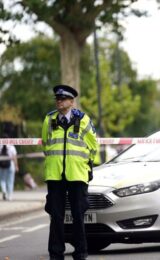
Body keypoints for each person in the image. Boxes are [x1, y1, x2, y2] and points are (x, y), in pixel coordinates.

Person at [42, 84, 98, 260]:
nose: (59, 101)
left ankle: (80, 253)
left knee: (78, 216)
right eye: (57, 99)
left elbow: (93, 145)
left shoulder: (83, 120)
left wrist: (86, 165)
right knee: (56, 216)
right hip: (55, 175)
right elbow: (46, 144)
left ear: (72, 102)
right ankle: (56, 253)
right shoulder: (49, 119)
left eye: (63, 98)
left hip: (77, 174)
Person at [0, 133, 19, 201]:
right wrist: (16, 166)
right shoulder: (11, 146)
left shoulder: (0, 145)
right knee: (10, 181)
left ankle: (4, 191)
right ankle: (9, 196)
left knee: (2, 180)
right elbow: (14, 157)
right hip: (10, 164)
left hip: (1, 164)